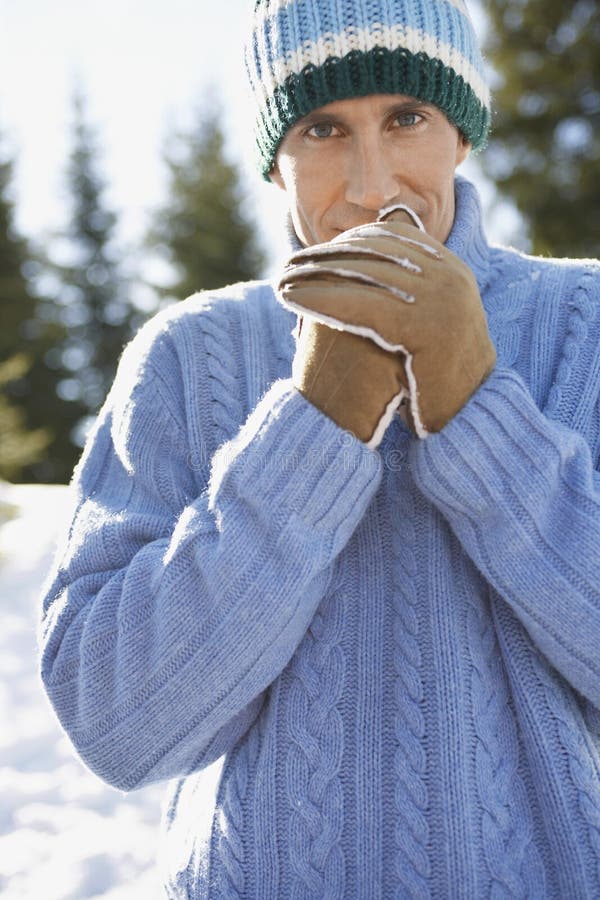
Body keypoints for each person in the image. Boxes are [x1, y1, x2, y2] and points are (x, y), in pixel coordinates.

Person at [40, 0, 600, 896]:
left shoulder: (587, 326)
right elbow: (117, 724)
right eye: (323, 127)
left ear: (461, 134)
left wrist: (475, 410)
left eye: (406, 117)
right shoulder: (189, 356)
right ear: (276, 161)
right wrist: (312, 427)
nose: (373, 185)